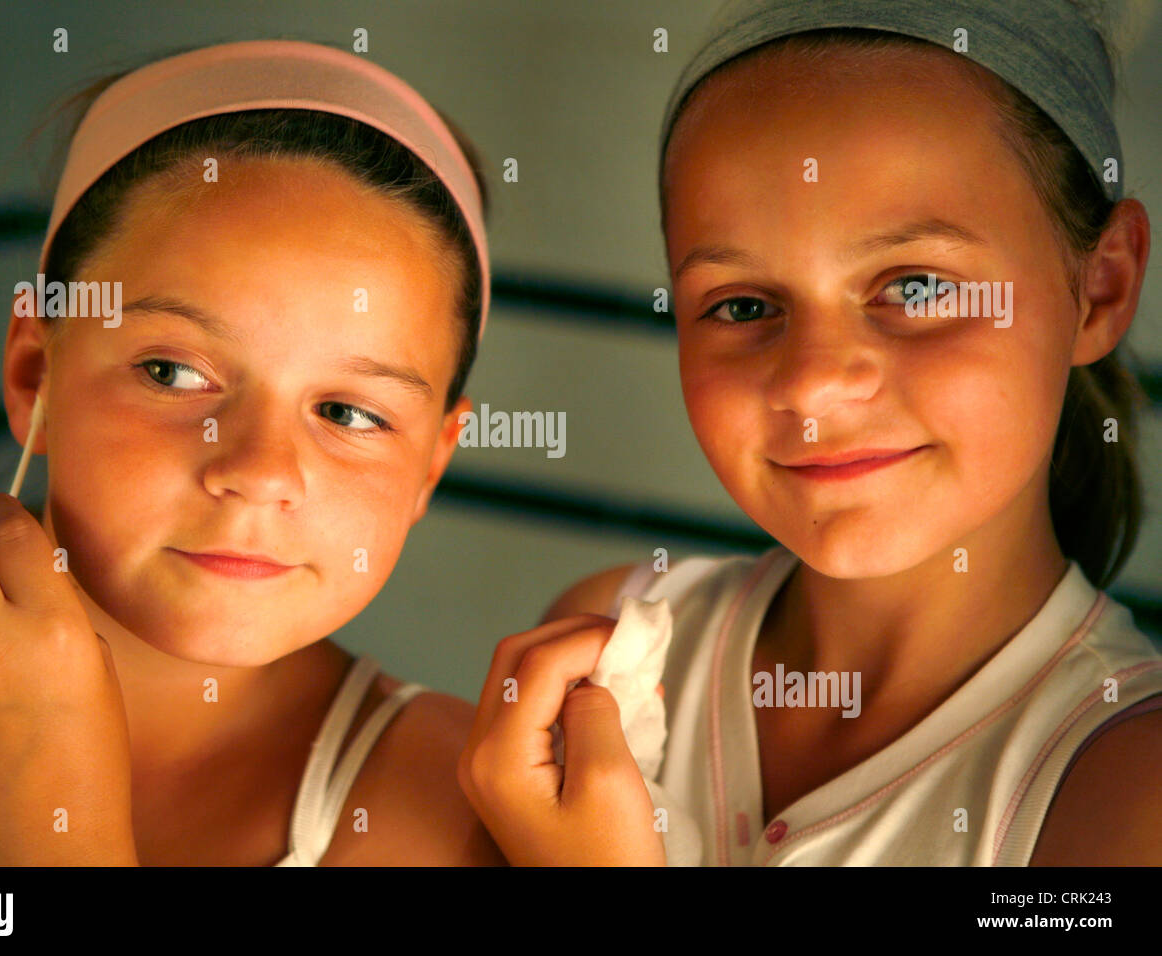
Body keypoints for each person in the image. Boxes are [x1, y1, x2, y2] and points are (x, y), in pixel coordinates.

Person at [459, 0, 1162, 865]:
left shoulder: (1126, 789)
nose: (812, 380)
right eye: (744, 306)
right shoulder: (608, 656)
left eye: (915, 286)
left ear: (1099, 286)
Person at [0, 38, 506, 866]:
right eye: (173, 372)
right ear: (36, 376)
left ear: (431, 465)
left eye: (349, 411)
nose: (260, 471)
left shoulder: (446, 814)